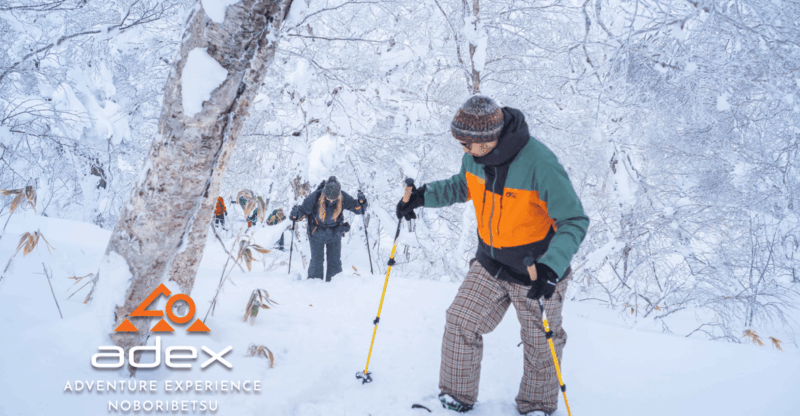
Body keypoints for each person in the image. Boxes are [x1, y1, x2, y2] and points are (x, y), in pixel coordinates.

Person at [396, 96, 589, 416]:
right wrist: (422, 197)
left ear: (488, 140)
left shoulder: (539, 163)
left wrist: (551, 267)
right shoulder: (474, 157)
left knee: (542, 343)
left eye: (467, 143)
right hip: (490, 262)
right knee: (460, 320)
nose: (463, 150)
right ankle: (455, 398)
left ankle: (537, 406)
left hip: (535, 271)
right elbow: (462, 186)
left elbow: (573, 220)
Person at [290, 176, 367, 282]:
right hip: (316, 233)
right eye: (328, 197)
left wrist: (361, 203)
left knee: (334, 262)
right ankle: (313, 285)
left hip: (334, 233)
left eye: (334, 198)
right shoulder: (315, 196)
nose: (330, 200)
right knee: (316, 261)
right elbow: (303, 210)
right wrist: (296, 214)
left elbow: (357, 209)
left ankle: (334, 286)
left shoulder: (343, 196)